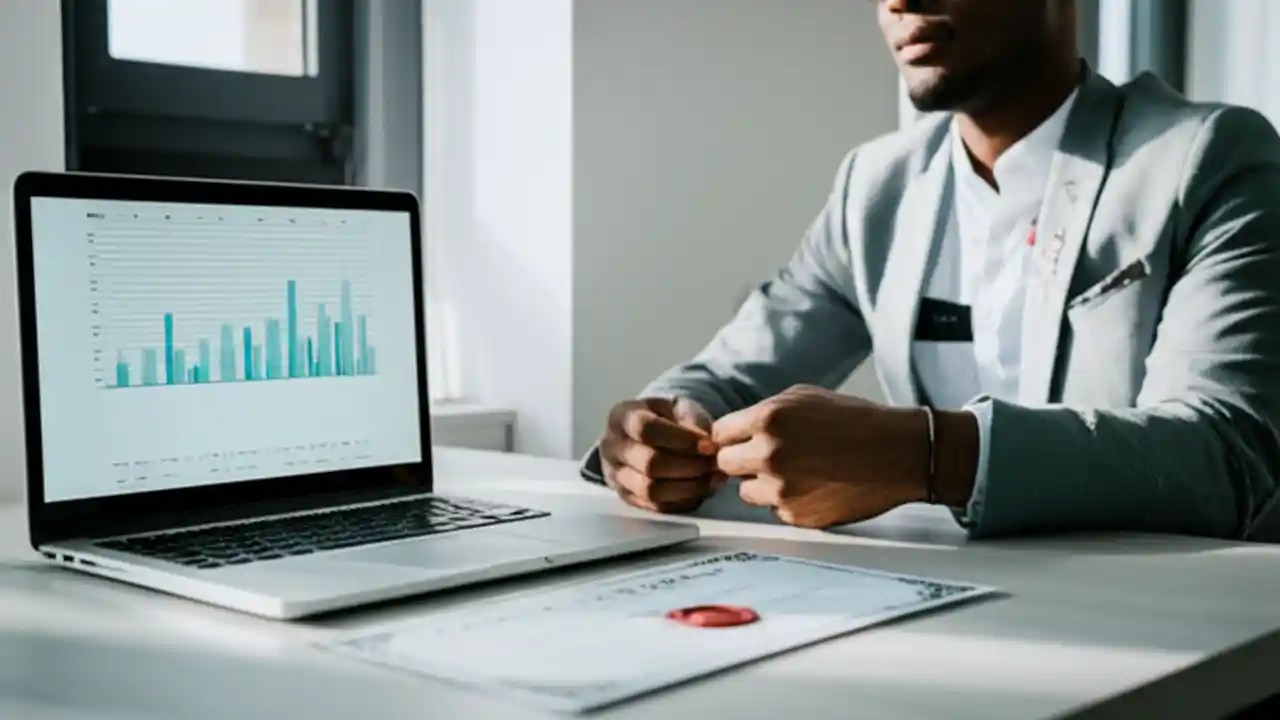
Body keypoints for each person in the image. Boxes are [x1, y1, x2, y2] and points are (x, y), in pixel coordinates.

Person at [582, 0, 1280, 540]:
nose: (899, 1)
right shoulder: (877, 186)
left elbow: (1224, 459)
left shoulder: (1208, 157)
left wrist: (925, 455)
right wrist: (655, 430)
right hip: (949, 606)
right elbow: (730, 375)